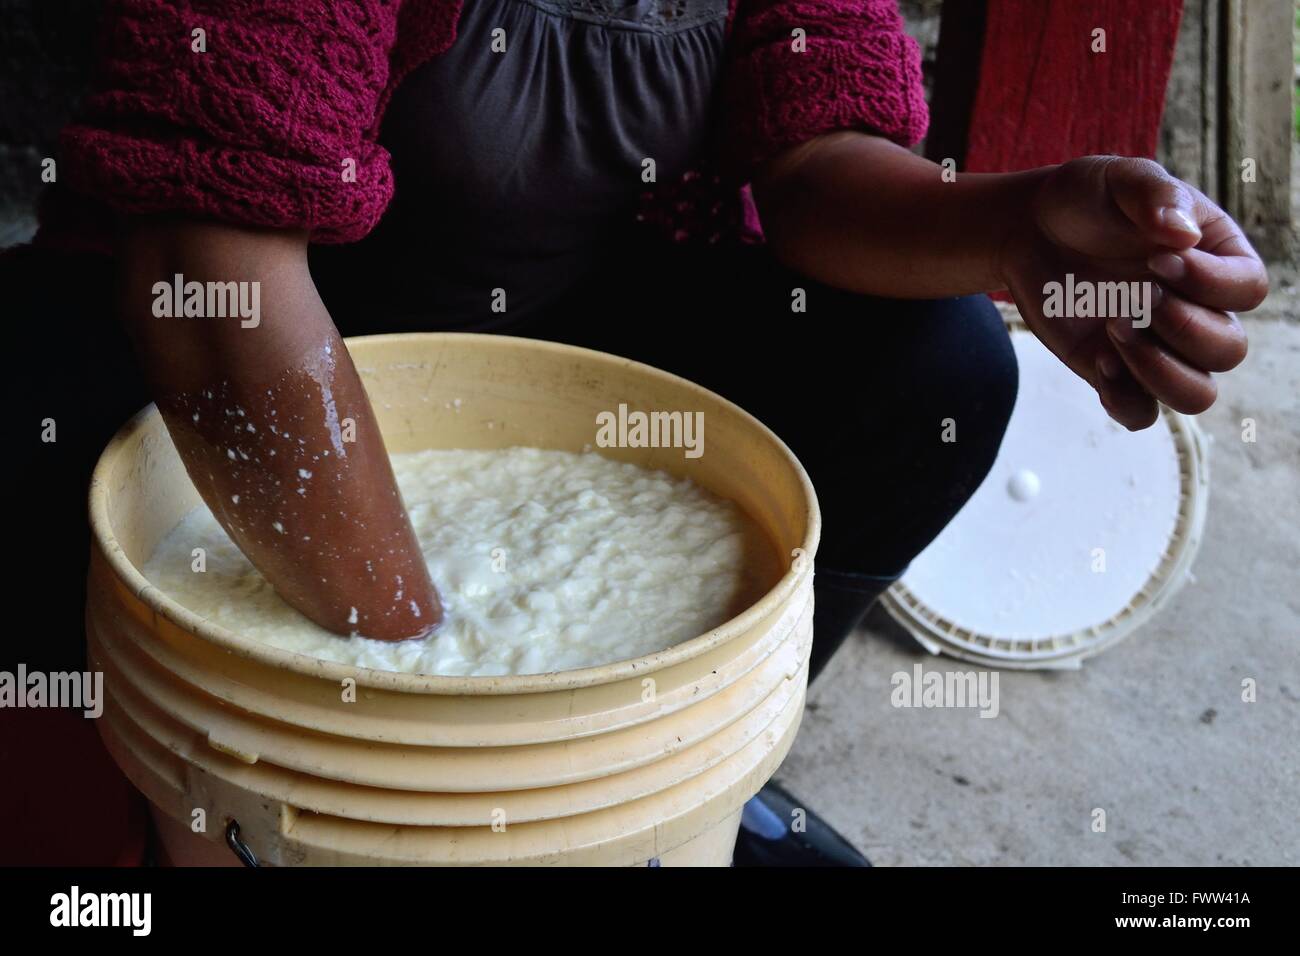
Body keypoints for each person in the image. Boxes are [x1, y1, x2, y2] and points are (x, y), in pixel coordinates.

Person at [18, 0, 1267, 864]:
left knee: (931, 364)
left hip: (572, 336)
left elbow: (816, 154)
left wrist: (1012, 228)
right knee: (40, 420)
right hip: (280, 333)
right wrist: (431, 676)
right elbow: (208, 264)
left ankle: (688, 767)